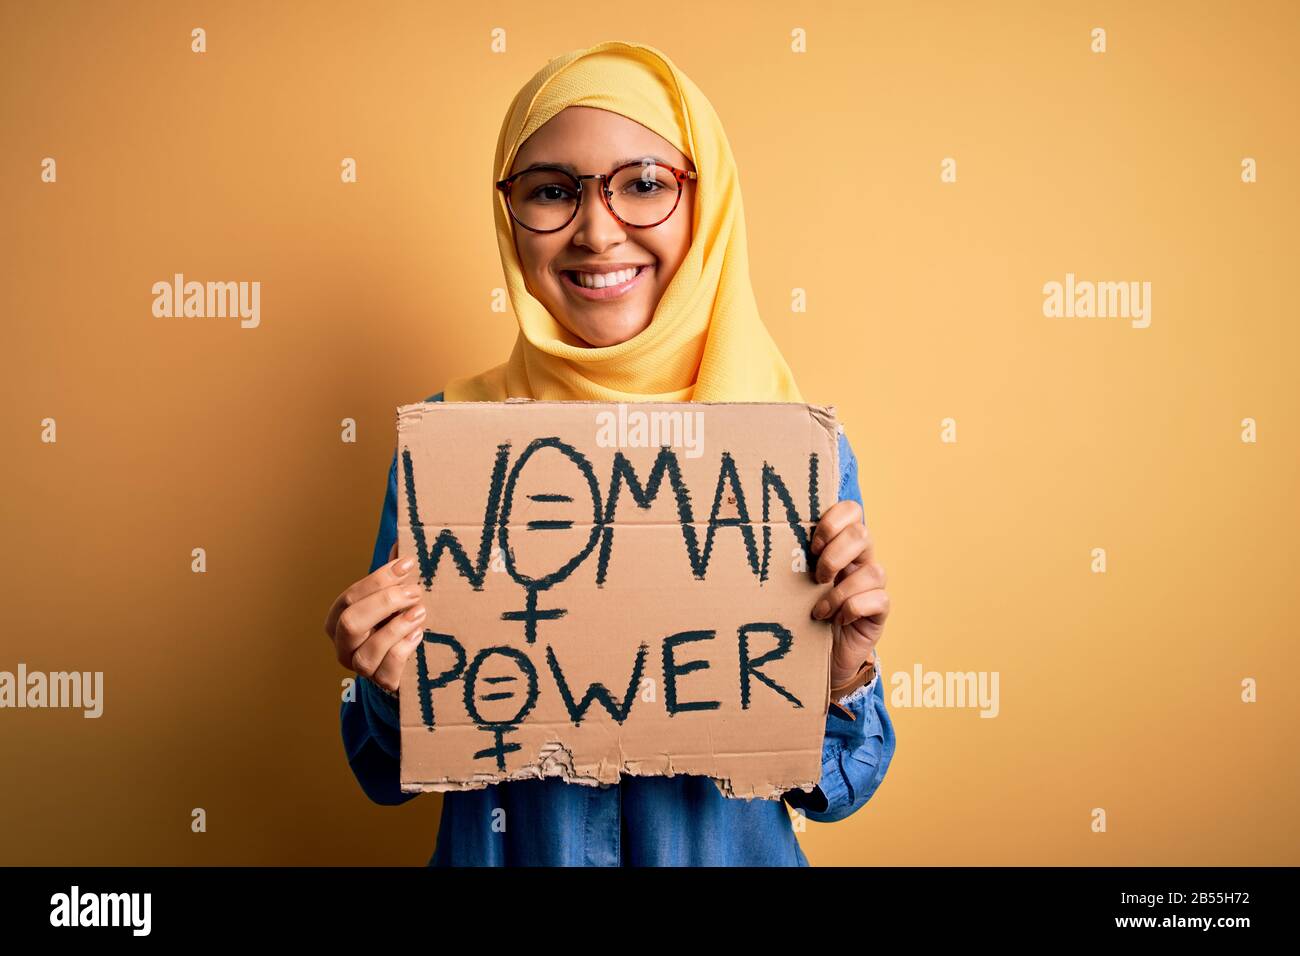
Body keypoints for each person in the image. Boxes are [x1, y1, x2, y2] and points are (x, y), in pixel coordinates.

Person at [325, 40, 895, 866]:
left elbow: (839, 788)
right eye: (552, 191)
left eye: (645, 185)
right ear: (509, 214)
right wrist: (382, 682)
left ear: (706, 204)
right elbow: (382, 771)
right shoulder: (451, 444)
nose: (597, 231)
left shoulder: (790, 453)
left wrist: (842, 676)